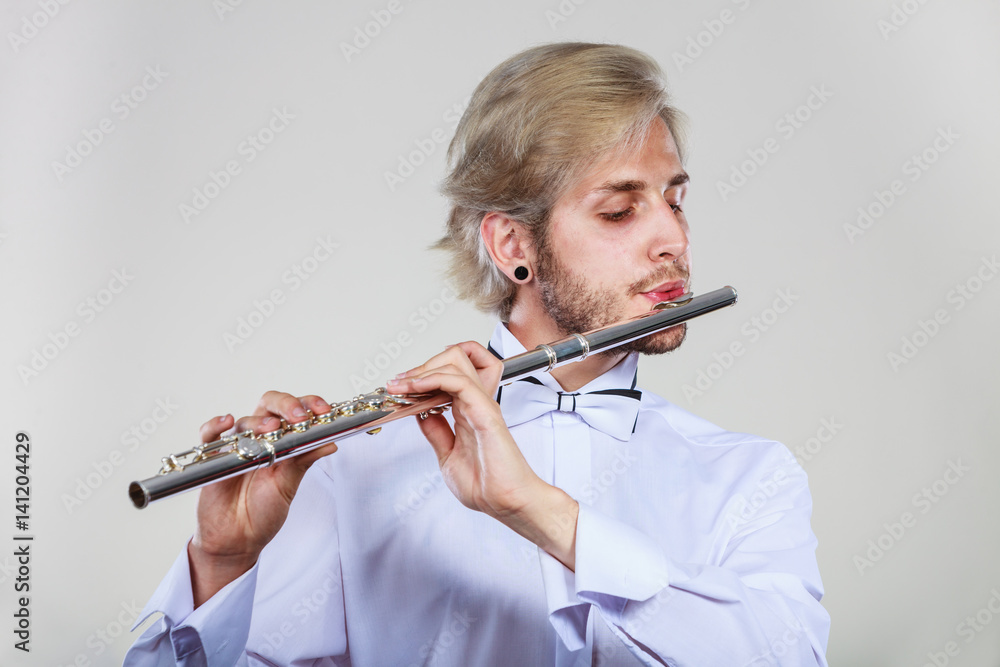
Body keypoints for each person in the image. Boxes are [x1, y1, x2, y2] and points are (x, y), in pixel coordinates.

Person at [125, 42, 829, 666]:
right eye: (620, 209)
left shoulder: (749, 477)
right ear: (512, 245)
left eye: (674, 201)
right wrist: (222, 562)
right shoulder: (354, 473)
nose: (672, 239)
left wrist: (540, 512)